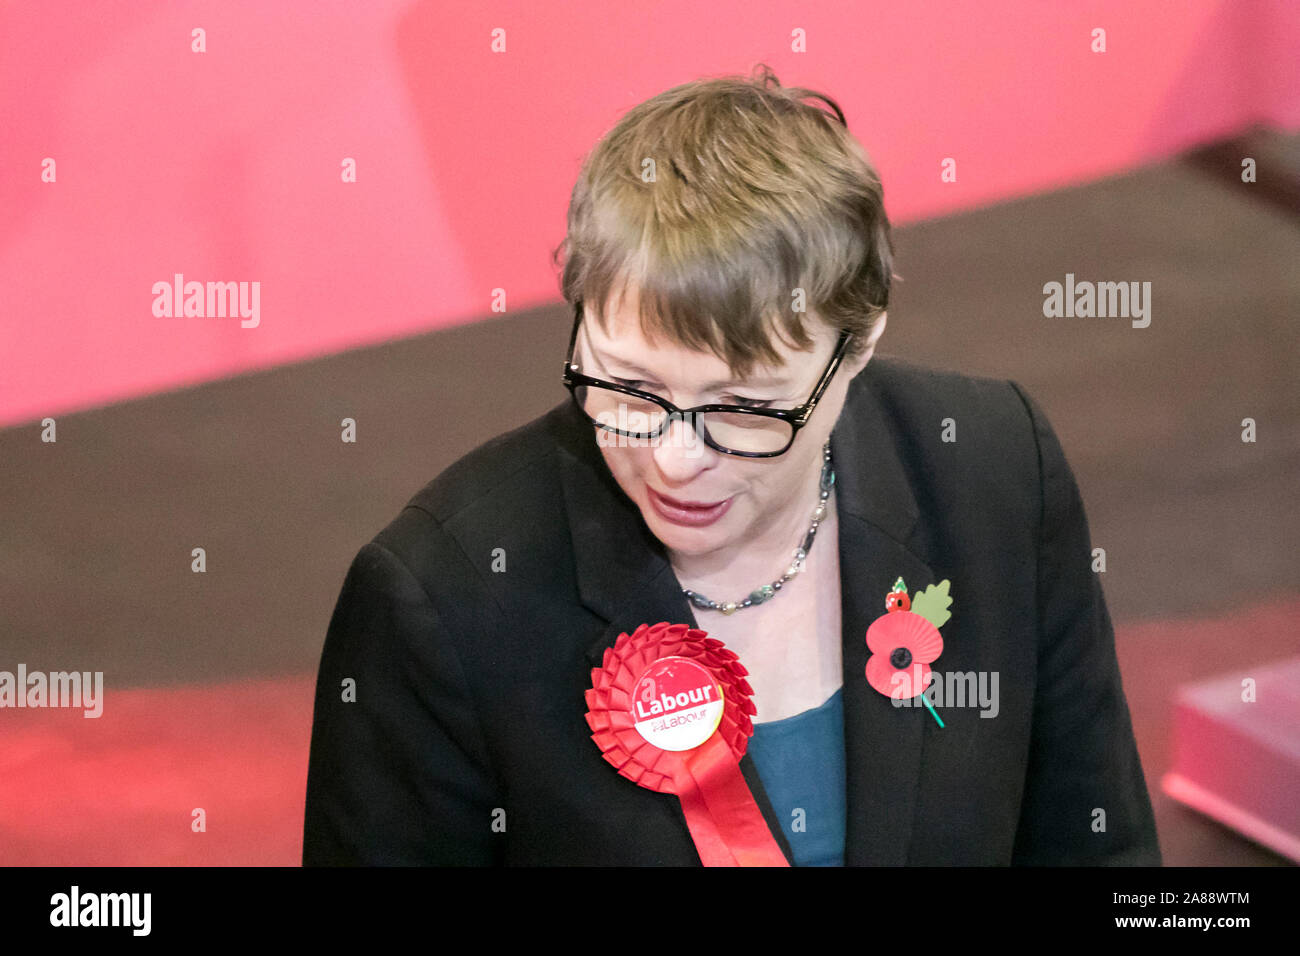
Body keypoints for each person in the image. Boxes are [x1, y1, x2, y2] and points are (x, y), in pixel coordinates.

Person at [302, 65, 1160, 866]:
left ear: (858, 345)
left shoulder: (994, 472)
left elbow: (1099, 848)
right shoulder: (440, 597)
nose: (675, 460)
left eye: (743, 409)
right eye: (629, 388)